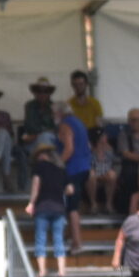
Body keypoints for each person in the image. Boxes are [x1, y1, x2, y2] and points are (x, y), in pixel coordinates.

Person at [25, 138, 68, 277]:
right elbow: (69, 190)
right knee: (58, 239)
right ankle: (62, 270)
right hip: (59, 207)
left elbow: (36, 185)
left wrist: (31, 203)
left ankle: (42, 271)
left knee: (40, 239)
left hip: (43, 206)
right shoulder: (60, 169)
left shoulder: (39, 167)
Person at [57, 98, 92, 253]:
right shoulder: (78, 122)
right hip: (85, 167)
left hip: (73, 169)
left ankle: (77, 242)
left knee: (72, 206)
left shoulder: (65, 125)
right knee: (74, 204)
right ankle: (71, 235)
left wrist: (56, 164)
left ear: (59, 112)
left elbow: (69, 149)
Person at [19, 77, 59, 154]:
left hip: (49, 140)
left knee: (46, 137)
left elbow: (56, 129)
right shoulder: (29, 106)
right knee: (45, 137)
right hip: (33, 143)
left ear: (49, 93)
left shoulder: (55, 108)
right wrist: (44, 132)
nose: (42, 94)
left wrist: (38, 135)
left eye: (45, 91)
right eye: (39, 91)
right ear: (35, 93)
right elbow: (30, 126)